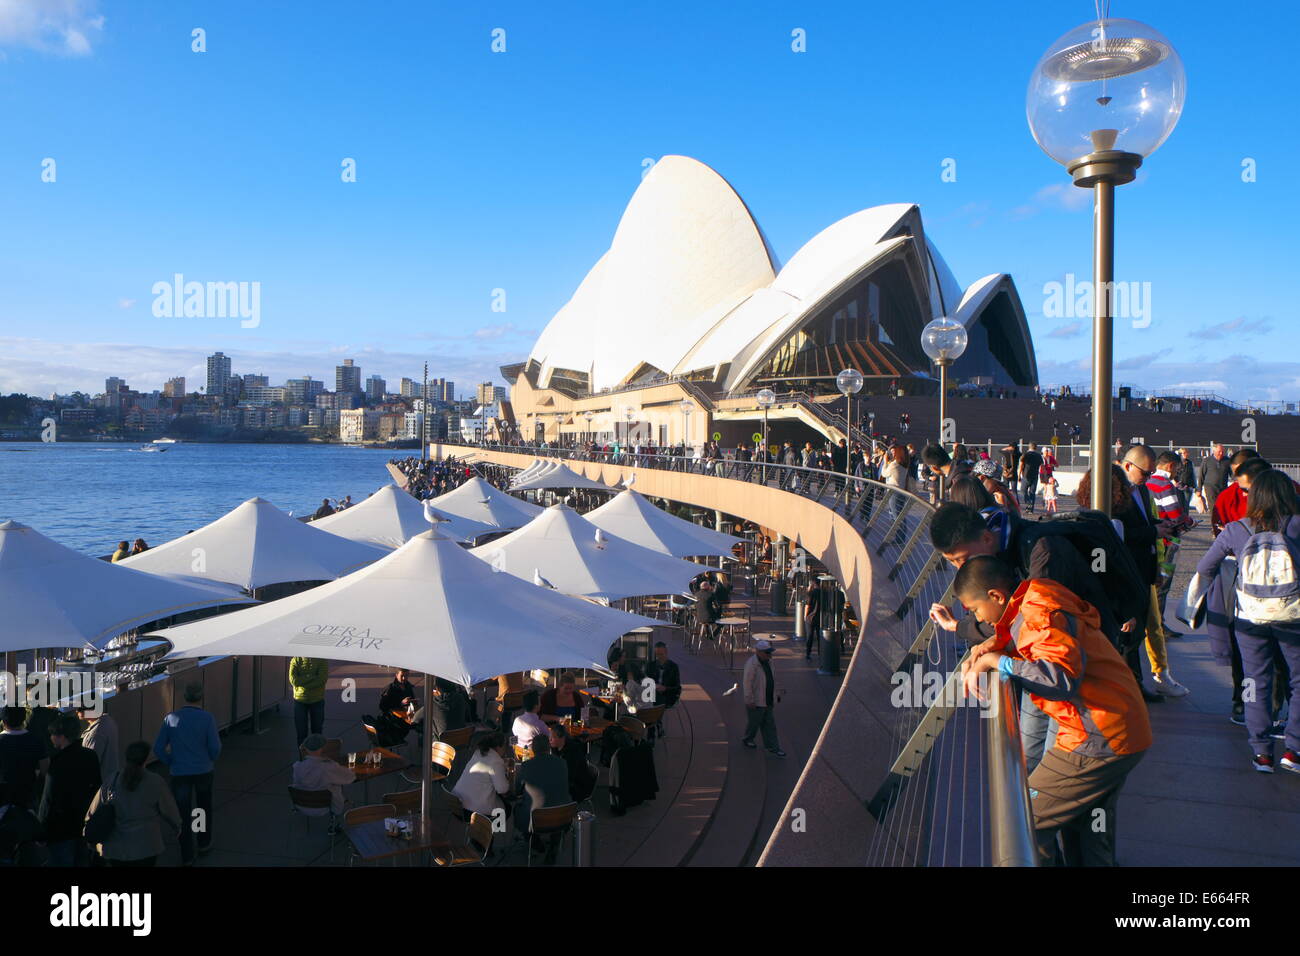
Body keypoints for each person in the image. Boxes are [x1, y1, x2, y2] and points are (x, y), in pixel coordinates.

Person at [955, 556, 1151, 866]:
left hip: (1097, 736)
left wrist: (998, 662)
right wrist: (995, 644)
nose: (979, 618)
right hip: (1120, 724)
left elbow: (1059, 679)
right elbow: (1038, 641)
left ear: (996, 596)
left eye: (975, 610)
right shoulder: (1037, 595)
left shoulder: (1038, 615)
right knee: (1088, 827)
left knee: (1022, 823)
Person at [1194, 469, 1300, 774]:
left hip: (1249, 618)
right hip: (1293, 616)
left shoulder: (1237, 529)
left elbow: (1205, 567)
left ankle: (1261, 752)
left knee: (1254, 680)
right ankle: (1294, 749)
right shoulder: (1297, 525)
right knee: (1297, 679)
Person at [1115, 447, 1190, 698]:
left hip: (1144, 569)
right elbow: (1116, 534)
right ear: (1128, 466)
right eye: (1145, 473)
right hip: (1126, 572)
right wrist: (1153, 531)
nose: (1148, 478)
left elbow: (1144, 523)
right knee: (1129, 634)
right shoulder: (1114, 494)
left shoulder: (1143, 490)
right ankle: (1131, 688)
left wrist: (1160, 525)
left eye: (1150, 473)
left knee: (1139, 632)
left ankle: (1136, 685)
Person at [153, 682, 220, 865]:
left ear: (185, 697)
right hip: (203, 770)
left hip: (180, 772)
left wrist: (170, 761)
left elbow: (158, 748)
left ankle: (187, 853)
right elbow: (215, 747)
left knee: (181, 813)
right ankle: (203, 842)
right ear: (201, 697)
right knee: (201, 808)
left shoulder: (171, 718)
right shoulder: (207, 718)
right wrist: (210, 759)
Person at [85, 740, 182, 867]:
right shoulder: (156, 782)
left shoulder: (112, 780)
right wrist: (177, 825)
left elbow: (93, 810)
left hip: (117, 848)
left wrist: (88, 833)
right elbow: (169, 809)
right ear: (146, 759)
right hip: (147, 846)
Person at [39, 713, 101, 867]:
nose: (51, 738)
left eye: (53, 734)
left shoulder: (58, 763)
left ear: (62, 737)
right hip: (84, 822)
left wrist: (41, 828)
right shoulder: (90, 756)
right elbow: (97, 787)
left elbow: (48, 800)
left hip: (61, 828)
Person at [512, 735, 570, 858]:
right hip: (562, 816)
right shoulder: (562, 763)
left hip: (535, 820)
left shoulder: (526, 766)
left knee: (518, 809)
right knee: (555, 801)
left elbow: (516, 791)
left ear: (533, 749)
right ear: (548, 747)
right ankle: (555, 842)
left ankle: (534, 841)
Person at [290, 733, 355, 823]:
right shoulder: (327, 767)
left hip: (302, 805)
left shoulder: (297, 767)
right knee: (336, 785)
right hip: (324, 807)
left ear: (306, 749)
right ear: (322, 748)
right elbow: (350, 777)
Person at [741, 639, 785, 757]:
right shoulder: (751, 665)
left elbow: (772, 680)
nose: (770, 655)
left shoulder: (770, 662)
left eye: (770, 652)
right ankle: (748, 738)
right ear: (759, 652)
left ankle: (772, 747)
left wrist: (777, 694)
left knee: (769, 724)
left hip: (768, 699)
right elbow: (747, 683)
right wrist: (749, 700)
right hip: (757, 701)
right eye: (767, 652)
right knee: (754, 723)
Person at [452, 733, 511, 819]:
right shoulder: (496, 761)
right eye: (505, 747)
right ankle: (491, 827)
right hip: (473, 812)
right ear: (500, 746)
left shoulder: (479, 752)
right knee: (508, 808)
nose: (506, 751)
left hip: (457, 804)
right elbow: (502, 789)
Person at [0, 707, 47, 810]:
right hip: (28, 794)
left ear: (4, 722)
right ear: (24, 719)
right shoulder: (36, 740)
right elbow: (44, 769)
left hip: (3, 796)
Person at [78, 707, 120, 797]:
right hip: (110, 780)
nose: (77, 711)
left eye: (81, 708)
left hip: (99, 788)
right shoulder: (108, 721)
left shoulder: (96, 734)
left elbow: (90, 765)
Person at [288, 657, 329, 750]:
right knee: (301, 733)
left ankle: (317, 756)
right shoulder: (296, 660)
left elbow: (322, 679)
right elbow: (293, 680)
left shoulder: (322, 660)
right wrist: (312, 677)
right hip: (300, 701)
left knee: (317, 733)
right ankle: (303, 756)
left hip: (317, 700)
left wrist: (303, 681)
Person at [549, 724, 596, 802]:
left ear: (562, 738)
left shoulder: (573, 752)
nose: (549, 740)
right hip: (568, 782)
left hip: (578, 787)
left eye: (552, 737)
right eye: (549, 737)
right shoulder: (556, 749)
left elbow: (569, 777)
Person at [645, 642, 682, 710]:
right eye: (657, 654)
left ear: (666, 652)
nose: (659, 657)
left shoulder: (673, 667)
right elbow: (645, 681)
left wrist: (665, 688)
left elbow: (677, 687)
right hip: (653, 694)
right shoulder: (650, 665)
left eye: (661, 654)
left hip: (667, 695)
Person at [1200, 443, 1232, 515]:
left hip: (1223, 487)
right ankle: (1214, 521)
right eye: (1219, 452)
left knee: (1223, 507)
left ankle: (1222, 520)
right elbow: (1201, 475)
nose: (1221, 453)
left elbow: (1232, 474)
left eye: (1222, 452)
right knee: (1213, 507)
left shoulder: (1227, 461)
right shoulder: (1207, 461)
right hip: (1210, 488)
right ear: (1214, 451)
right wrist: (1199, 489)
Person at [1019, 442, 1044, 514]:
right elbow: (1042, 466)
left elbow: (1021, 465)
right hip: (1035, 476)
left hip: (1026, 475)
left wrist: (1019, 475)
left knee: (1023, 491)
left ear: (1029, 447)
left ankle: (1028, 503)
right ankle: (1030, 509)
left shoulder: (1025, 454)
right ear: (1035, 447)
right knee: (1032, 493)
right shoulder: (1039, 455)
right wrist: (1042, 476)